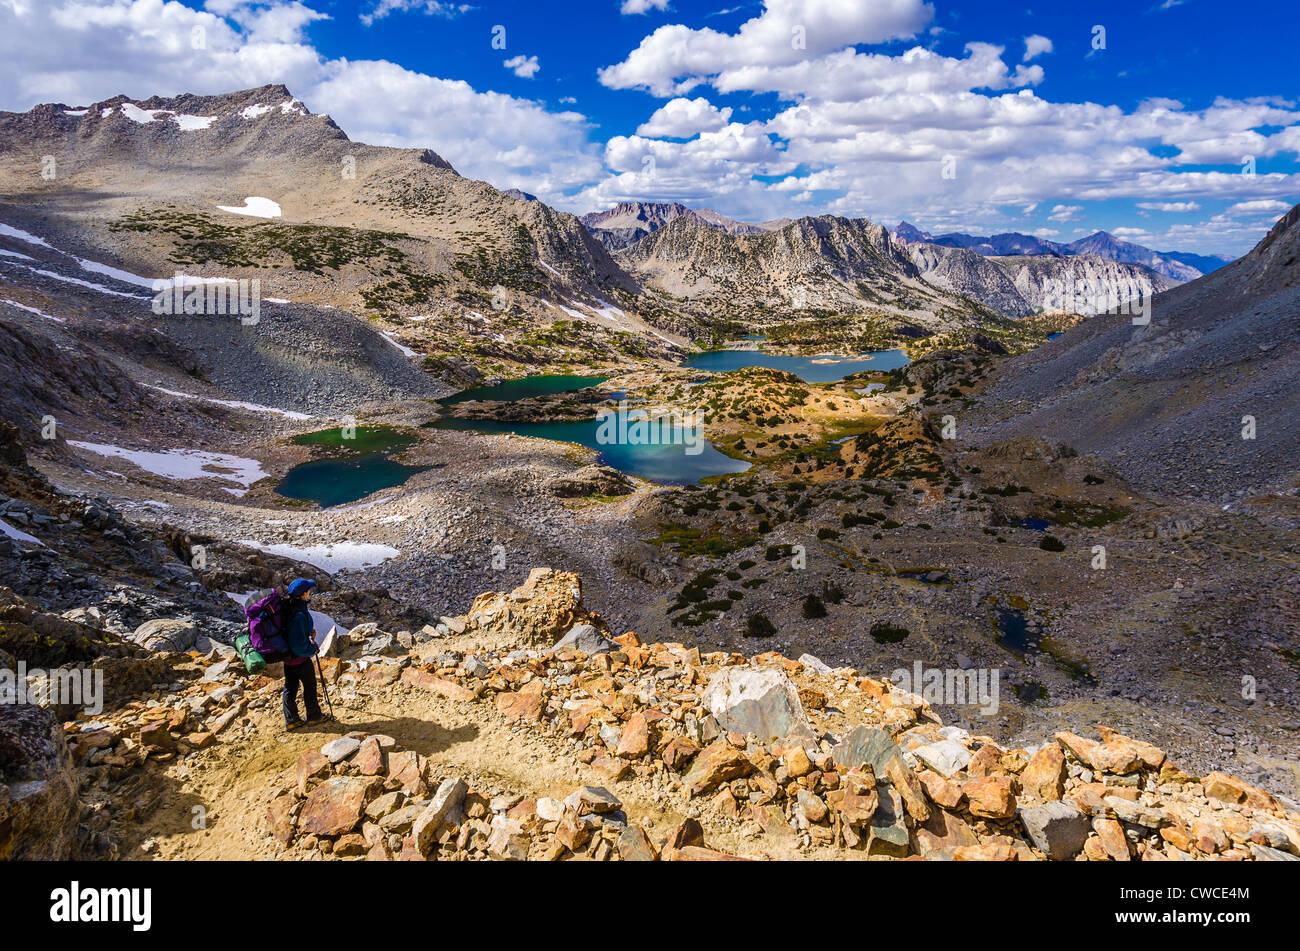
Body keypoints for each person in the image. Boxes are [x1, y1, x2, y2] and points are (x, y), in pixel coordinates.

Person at [282, 577, 326, 730]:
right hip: (300, 659)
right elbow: (298, 644)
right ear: (303, 594)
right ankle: (314, 716)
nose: (310, 592)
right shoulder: (299, 614)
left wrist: (309, 633)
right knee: (309, 686)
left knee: (290, 688)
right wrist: (311, 650)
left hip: (287, 658)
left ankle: (291, 720)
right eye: (308, 590)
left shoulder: (289, 608)